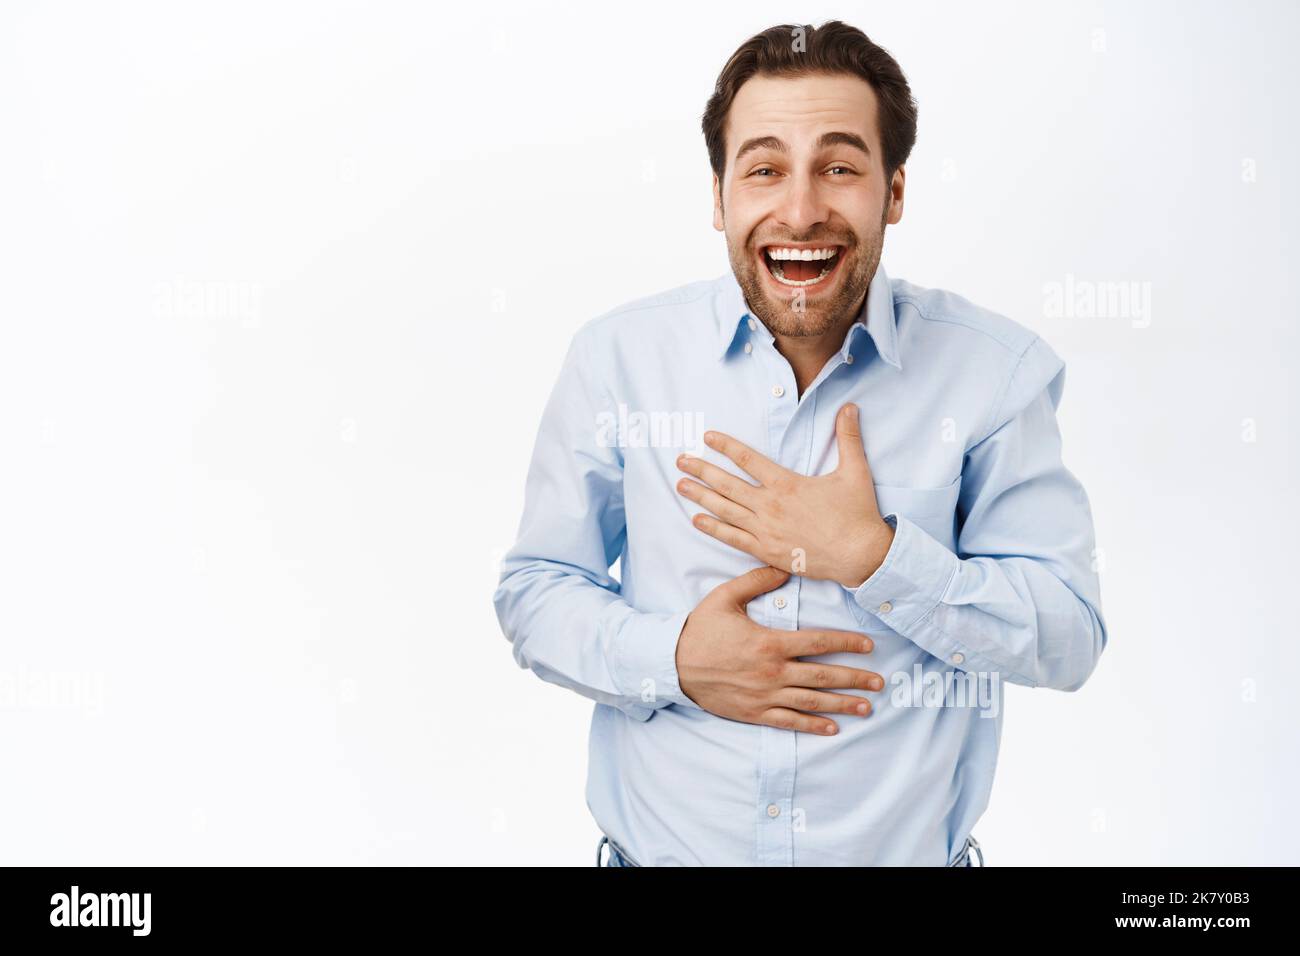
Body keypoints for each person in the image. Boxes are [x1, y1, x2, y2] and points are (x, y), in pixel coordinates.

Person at [493, 20, 1107, 866]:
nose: (802, 210)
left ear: (894, 191)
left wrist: (873, 557)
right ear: (719, 197)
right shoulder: (618, 361)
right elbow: (535, 591)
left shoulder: (993, 374)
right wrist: (675, 659)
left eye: (840, 168)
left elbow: (1068, 636)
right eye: (765, 169)